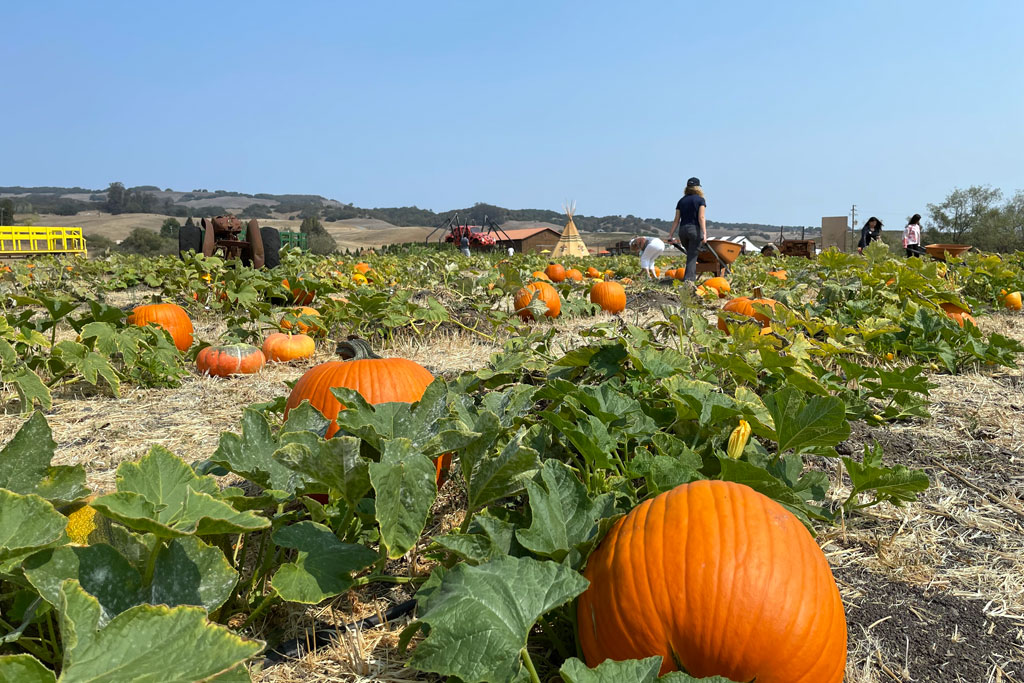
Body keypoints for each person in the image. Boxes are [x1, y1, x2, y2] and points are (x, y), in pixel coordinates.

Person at [668, 177, 707, 281]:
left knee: (690, 254)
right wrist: (704, 234)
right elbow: (701, 217)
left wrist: (670, 235)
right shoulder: (700, 200)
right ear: (698, 188)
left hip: (683, 231)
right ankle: (689, 281)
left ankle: (689, 278)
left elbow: (676, 219)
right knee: (692, 257)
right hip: (694, 230)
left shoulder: (681, 201)